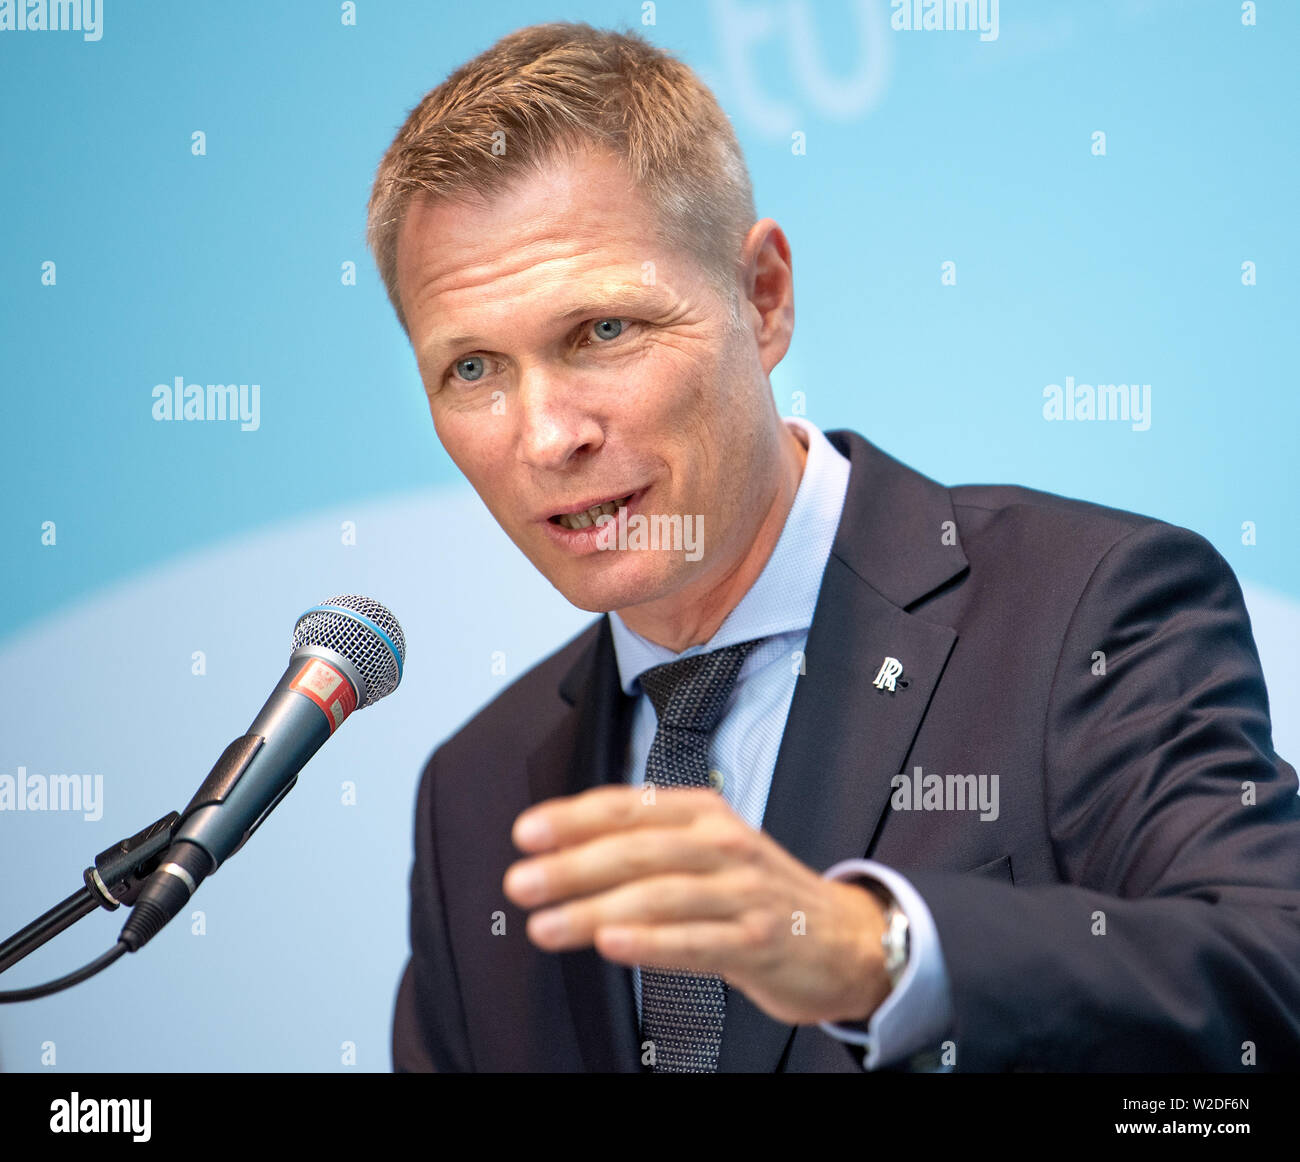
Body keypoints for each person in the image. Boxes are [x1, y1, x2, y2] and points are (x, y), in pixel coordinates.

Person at [367, 22, 1300, 1072]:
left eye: (602, 332)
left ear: (762, 298)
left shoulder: (1082, 609)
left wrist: (880, 951)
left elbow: (1272, 975)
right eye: (474, 370)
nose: (546, 436)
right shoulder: (476, 789)